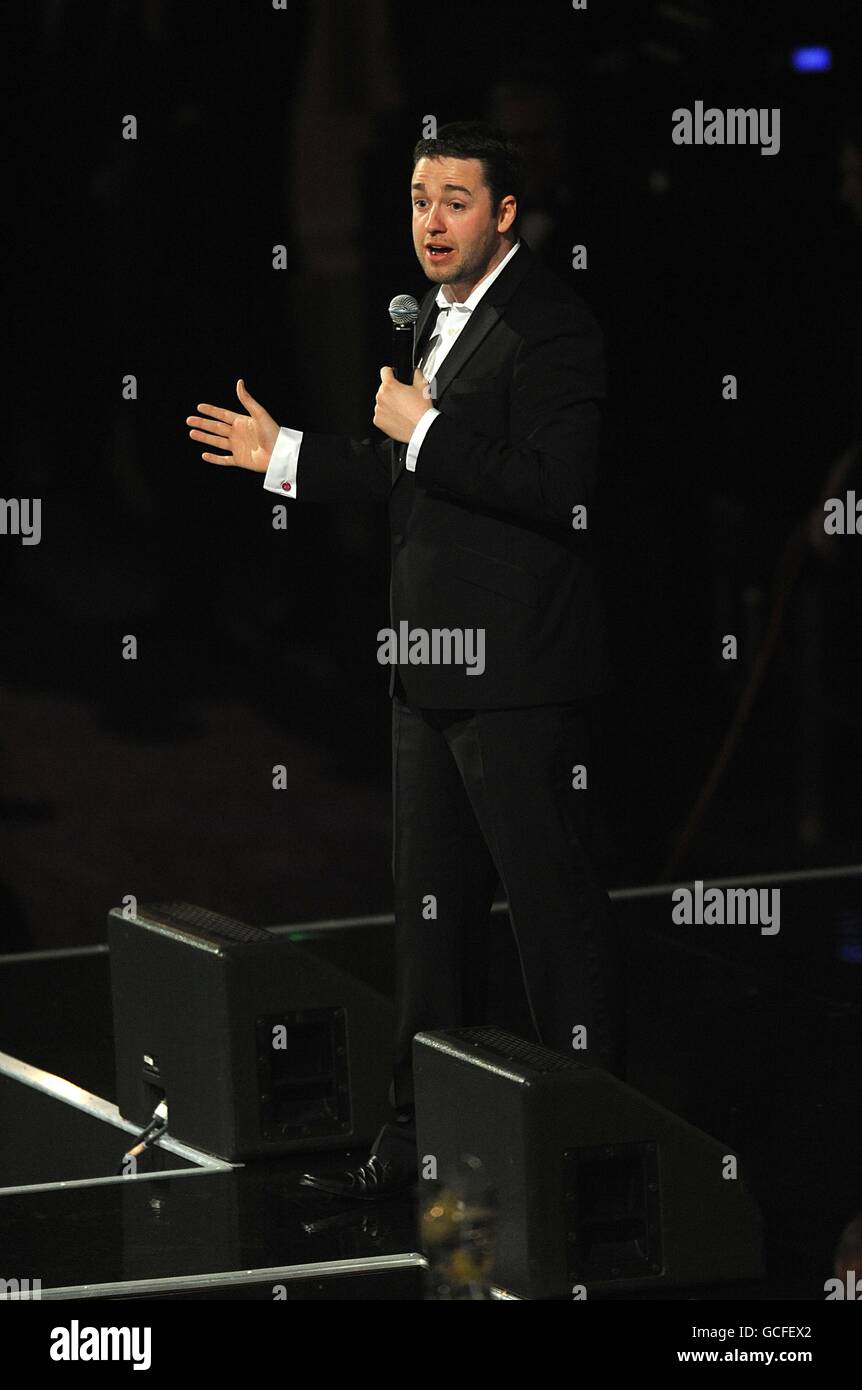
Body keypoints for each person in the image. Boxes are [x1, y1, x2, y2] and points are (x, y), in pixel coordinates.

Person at [186, 121, 624, 1199]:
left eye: (456, 201)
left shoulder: (552, 329)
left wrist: (427, 433)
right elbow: (401, 467)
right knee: (429, 918)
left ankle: (592, 1138)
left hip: (516, 678)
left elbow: (556, 487)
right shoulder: (436, 321)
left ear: (505, 213)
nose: (431, 221)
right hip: (424, 676)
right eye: (421, 199)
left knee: (549, 915)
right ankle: (421, 1134)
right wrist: (283, 454)